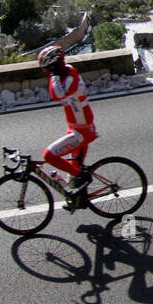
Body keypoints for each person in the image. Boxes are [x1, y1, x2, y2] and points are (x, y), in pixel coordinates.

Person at [39, 45, 96, 208]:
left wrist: (54, 74)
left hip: (82, 131)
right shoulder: (64, 73)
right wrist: (55, 73)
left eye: (48, 68)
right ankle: (79, 199)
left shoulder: (70, 76)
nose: (47, 72)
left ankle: (81, 177)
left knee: (48, 156)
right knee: (73, 168)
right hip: (77, 128)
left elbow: (56, 95)